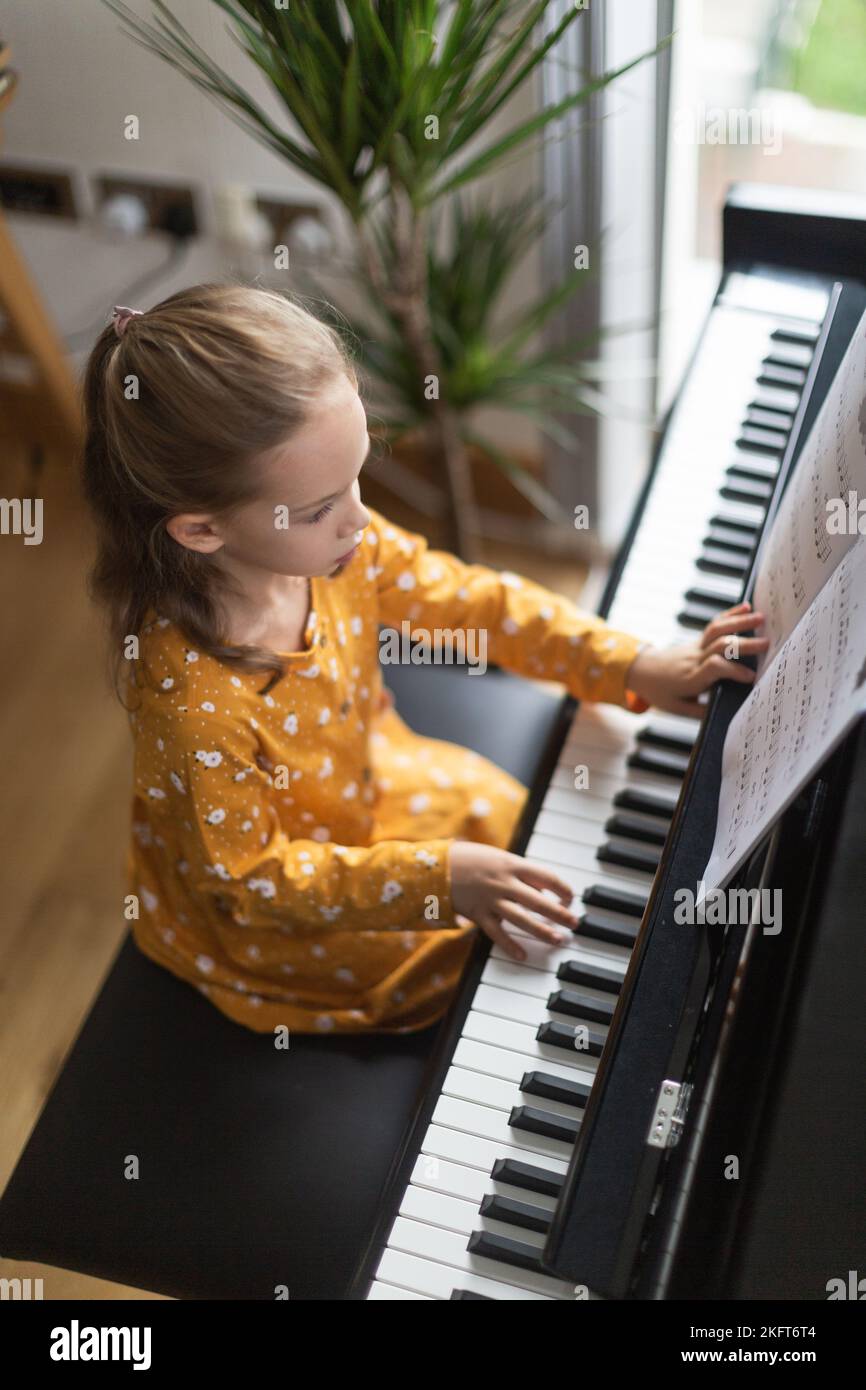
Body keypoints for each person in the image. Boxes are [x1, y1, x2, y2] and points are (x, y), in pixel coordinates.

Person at [80, 283, 768, 1036]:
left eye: (358, 477)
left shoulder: (342, 550)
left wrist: (626, 664)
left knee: (520, 826)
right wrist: (442, 880)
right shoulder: (190, 704)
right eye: (319, 509)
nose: (360, 519)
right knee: (474, 965)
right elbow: (248, 883)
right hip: (283, 907)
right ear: (202, 531)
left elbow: (473, 604)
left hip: (370, 779)